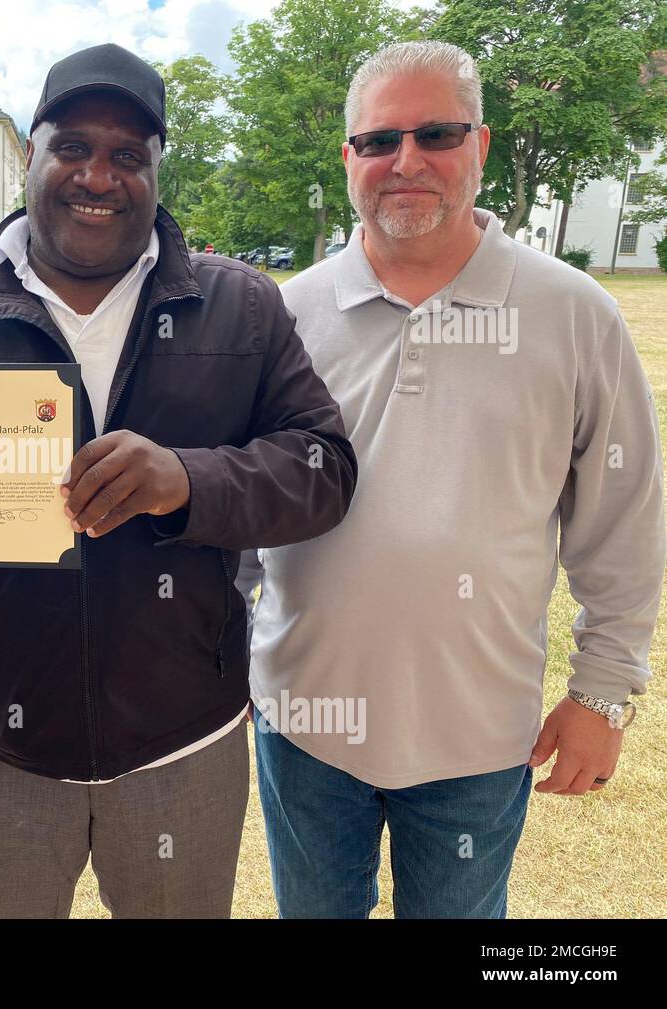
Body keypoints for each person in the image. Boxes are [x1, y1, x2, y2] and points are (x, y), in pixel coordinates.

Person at [0, 43, 357, 918]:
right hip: (4, 743)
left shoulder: (241, 304)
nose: (99, 175)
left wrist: (185, 478)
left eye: (129, 155)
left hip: (184, 740)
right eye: (74, 147)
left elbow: (323, 470)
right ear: (33, 153)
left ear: (159, 169)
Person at [239, 40, 665, 918]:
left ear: (481, 144)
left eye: (437, 133)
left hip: (478, 736)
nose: (406, 162)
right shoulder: (288, 313)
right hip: (306, 725)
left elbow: (624, 521)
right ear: (348, 156)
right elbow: (242, 500)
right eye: (378, 140)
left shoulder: (573, 314)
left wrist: (603, 695)